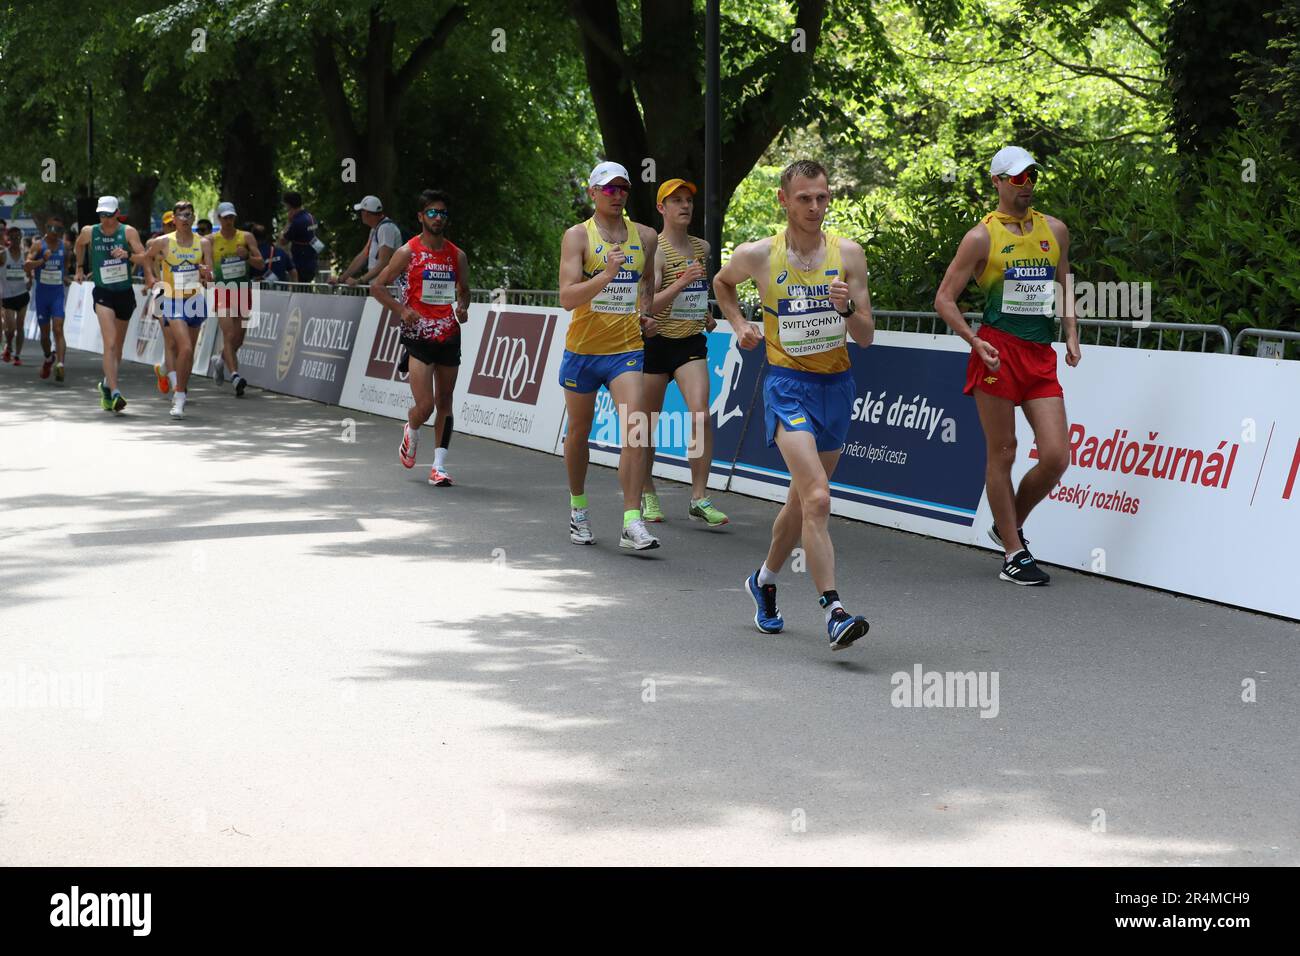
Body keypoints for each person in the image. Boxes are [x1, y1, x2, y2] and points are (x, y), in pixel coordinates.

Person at [713, 159, 874, 651]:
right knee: (819, 498)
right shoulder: (759, 255)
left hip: (836, 387)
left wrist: (847, 308)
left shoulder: (848, 254)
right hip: (786, 386)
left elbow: (866, 335)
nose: (815, 206)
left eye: (822, 197)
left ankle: (763, 580)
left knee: (801, 500)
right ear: (783, 199)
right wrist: (739, 324)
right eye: (804, 198)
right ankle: (834, 611)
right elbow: (722, 283)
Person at [934, 146, 1079, 586]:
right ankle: (1014, 553)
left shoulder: (1055, 230)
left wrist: (1072, 333)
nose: (1026, 184)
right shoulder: (981, 237)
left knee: (1056, 456)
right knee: (1004, 452)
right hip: (997, 352)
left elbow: (1064, 283)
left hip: (1040, 355)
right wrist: (973, 339)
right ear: (997, 182)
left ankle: (1008, 524)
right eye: (1017, 178)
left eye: (1031, 175)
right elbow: (944, 299)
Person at [557, 161, 661, 551]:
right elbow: (567, 298)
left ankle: (632, 520)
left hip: (625, 350)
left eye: (623, 189)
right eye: (609, 189)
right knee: (578, 432)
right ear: (593, 193)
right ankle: (578, 507)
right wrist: (604, 276)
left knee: (636, 428)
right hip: (583, 351)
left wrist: (645, 313)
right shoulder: (577, 236)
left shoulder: (645, 236)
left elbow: (646, 281)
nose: (617, 196)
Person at [639, 178, 728, 528]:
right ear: (662, 208)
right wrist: (681, 282)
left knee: (701, 415)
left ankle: (699, 497)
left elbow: (696, 290)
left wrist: (704, 313)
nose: (685, 206)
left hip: (690, 343)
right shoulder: (656, 251)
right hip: (656, 343)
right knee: (645, 424)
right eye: (676, 200)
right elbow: (648, 304)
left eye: (688, 200)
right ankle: (646, 491)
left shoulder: (702, 247)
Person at [370, 190, 470, 486]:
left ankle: (439, 466)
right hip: (419, 337)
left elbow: (465, 291)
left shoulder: (457, 255)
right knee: (425, 406)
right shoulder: (408, 252)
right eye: (432, 213)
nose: (438, 218)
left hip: (448, 334)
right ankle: (411, 428)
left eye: (442, 213)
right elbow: (377, 286)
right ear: (421, 216)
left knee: (445, 401)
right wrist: (402, 310)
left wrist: (462, 307)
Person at [74, 196, 150, 413]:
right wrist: (79, 267)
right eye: (102, 215)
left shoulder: (128, 232)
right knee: (110, 342)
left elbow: (144, 256)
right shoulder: (90, 231)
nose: (105, 219)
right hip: (103, 292)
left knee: (118, 346)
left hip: (124, 292)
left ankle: (106, 385)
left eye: (109, 214)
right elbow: (79, 245)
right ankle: (116, 392)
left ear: (117, 213)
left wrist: (128, 255)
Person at [141, 200, 212, 418]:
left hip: (195, 300)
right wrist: (150, 278)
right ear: (174, 219)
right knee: (185, 348)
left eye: (188, 215)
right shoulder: (163, 242)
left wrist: (206, 274)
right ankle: (179, 397)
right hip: (172, 300)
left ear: (193, 217)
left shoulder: (204, 243)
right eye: (181, 215)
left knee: (188, 355)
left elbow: (210, 276)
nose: (185, 219)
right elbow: (146, 258)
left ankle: (180, 387)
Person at [209, 201, 263, 396]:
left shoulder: (246, 237)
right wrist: (205, 275)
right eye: (225, 218)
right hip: (222, 291)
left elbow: (261, 264)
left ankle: (220, 359)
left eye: (231, 217)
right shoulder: (211, 240)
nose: (229, 221)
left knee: (238, 339)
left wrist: (247, 256)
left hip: (243, 290)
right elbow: (202, 264)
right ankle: (235, 376)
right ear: (219, 219)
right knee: (229, 334)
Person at [24, 216, 71, 371]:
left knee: (58, 329)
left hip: (57, 294)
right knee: (44, 335)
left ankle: (60, 364)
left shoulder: (64, 247)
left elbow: (66, 265)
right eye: (51, 228)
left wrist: (65, 277)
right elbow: (26, 266)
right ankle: (48, 357)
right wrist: (42, 261)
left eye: (58, 229)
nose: (54, 232)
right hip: (42, 295)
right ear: (46, 228)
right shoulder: (38, 245)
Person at [334, 196, 402, 289]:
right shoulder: (375, 229)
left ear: (366, 213)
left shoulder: (385, 228)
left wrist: (360, 281)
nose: (360, 214)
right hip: (380, 288)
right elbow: (363, 256)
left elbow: (383, 262)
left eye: (361, 211)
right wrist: (341, 279)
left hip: (389, 289)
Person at [2, 226, 31, 369]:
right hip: (7, 297)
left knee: (20, 327)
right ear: (8, 238)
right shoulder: (3, 255)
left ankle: (17, 355)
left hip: (22, 295)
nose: (15, 239)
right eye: (12, 237)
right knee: (11, 328)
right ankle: (8, 346)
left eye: (18, 237)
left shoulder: (25, 255)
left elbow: (28, 271)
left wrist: (30, 280)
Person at [279, 191, 319, 283]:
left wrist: (288, 222)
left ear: (288, 205)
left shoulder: (297, 222)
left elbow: (282, 241)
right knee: (306, 288)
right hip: (312, 262)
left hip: (300, 265)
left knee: (300, 289)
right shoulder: (311, 217)